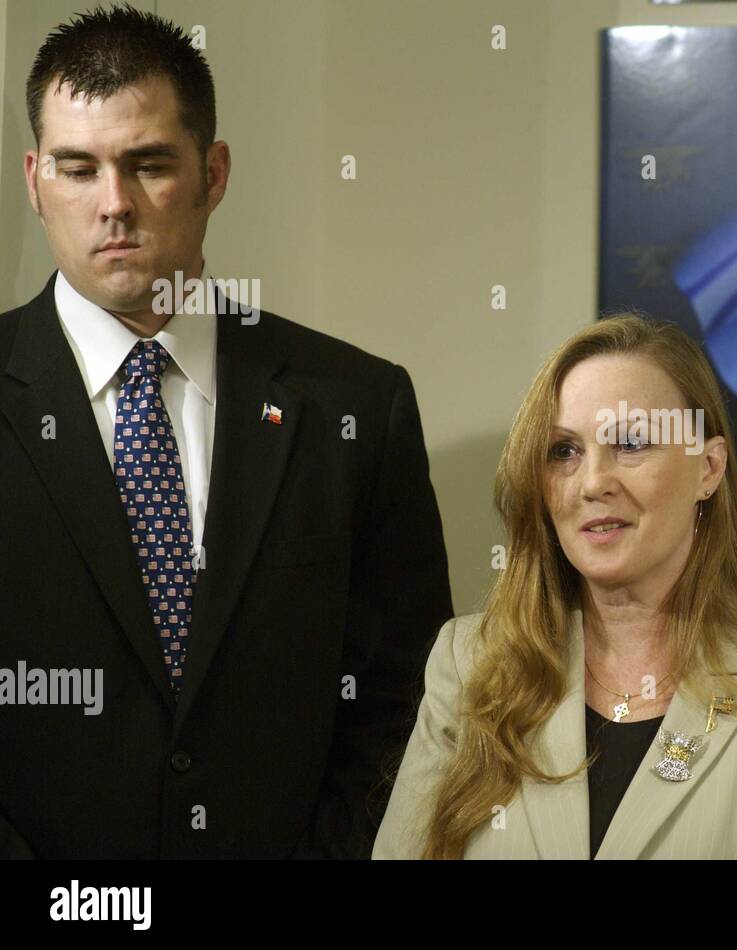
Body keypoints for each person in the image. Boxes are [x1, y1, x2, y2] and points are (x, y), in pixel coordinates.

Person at [0, 6, 453, 858]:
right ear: (33, 179)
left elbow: (407, 700)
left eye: (148, 165)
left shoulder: (354, 404)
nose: (113, 206)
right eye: (76, 168)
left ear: (213, 173)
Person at [374, 316, 737, 859]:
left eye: (630, 443)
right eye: (564, 451)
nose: (593, 481)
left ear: (709, 467)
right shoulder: (469, 666)